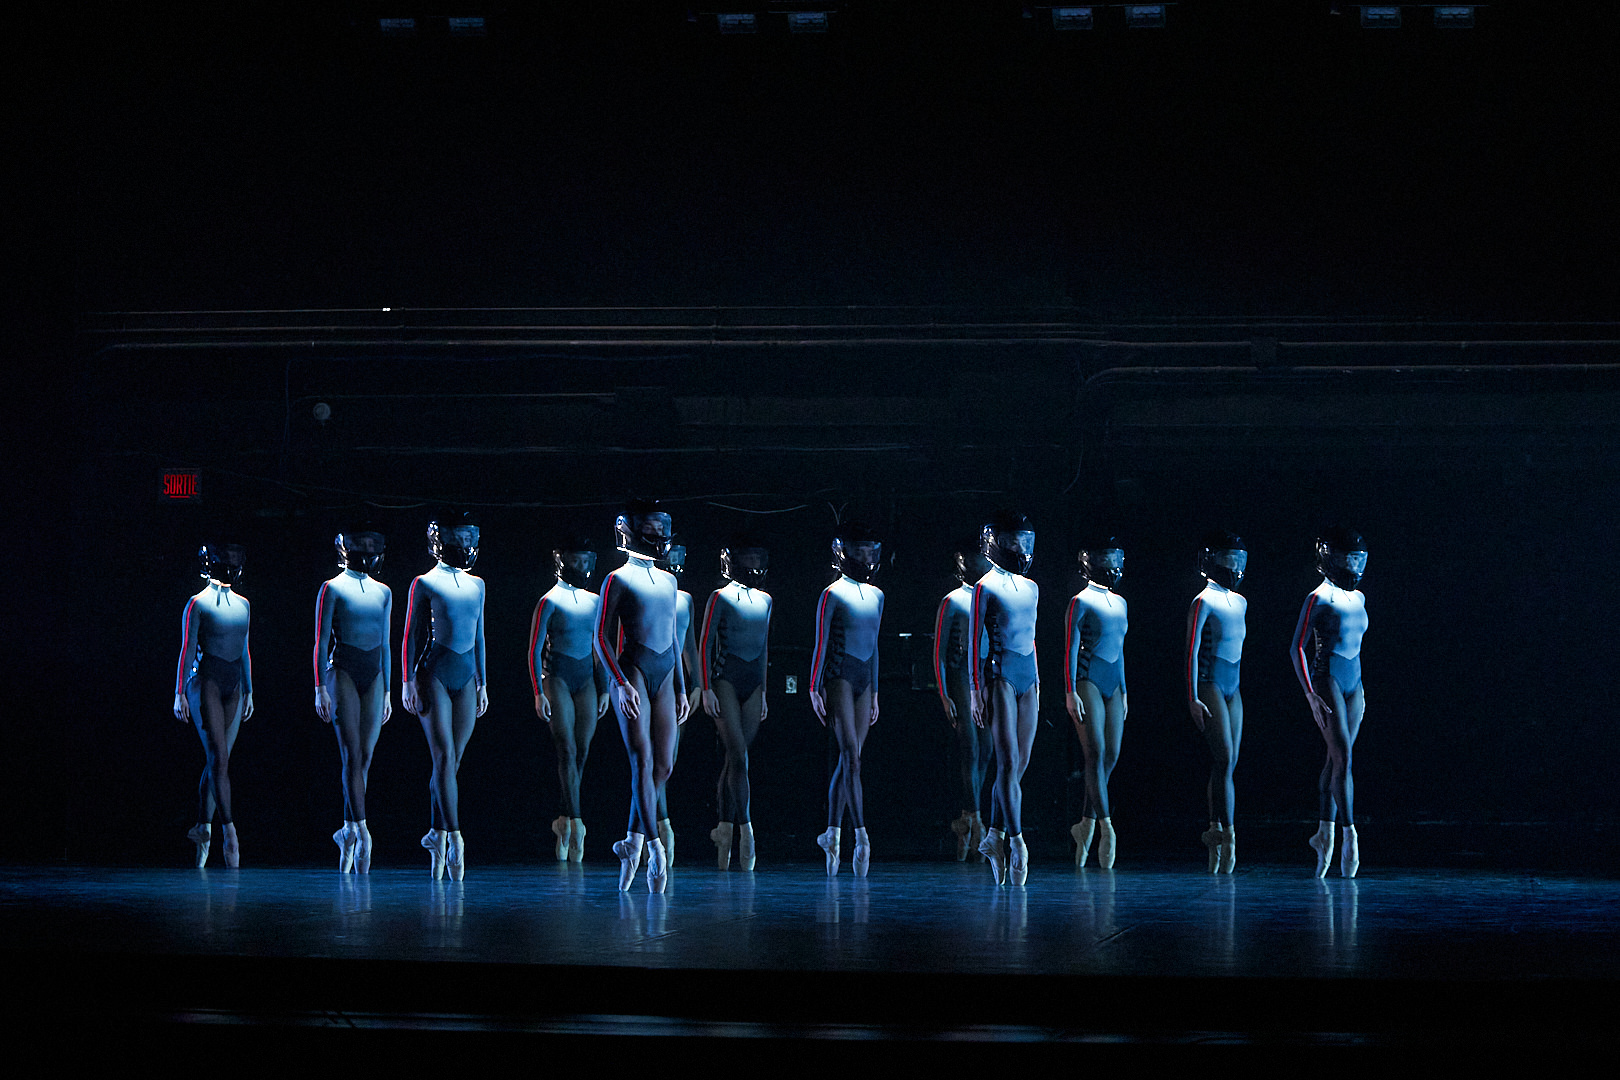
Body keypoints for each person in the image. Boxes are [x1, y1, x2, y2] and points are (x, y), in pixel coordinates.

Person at [595, 500, 689, 891]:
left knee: (663, 767)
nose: (658, 534)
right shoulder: (617, 579)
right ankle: (654, 849)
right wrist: (619, 682)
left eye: (661, 526)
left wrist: (683, 687)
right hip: (633, 670)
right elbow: (600, 636)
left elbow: (673, 639)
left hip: (666, 674)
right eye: (650, 526)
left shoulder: (669, 581)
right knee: (642, 761)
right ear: (632, 530)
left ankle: (631, 841)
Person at [401, 514, 488, 881]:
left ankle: (436, 832)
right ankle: (455, 838)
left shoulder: (477, 584)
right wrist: (406, 682)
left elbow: (480, 634)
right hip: (433, 672)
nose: (464, 542)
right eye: (457, 536)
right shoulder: (423, 582)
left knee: (450, 766)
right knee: (444, 756)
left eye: (468, 535)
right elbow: (409, 635)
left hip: (467, 676)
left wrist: (483, 682)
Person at [1291, 527, 1370, 879]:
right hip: (1329, 682)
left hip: (1354, 685)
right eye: (1345, 559)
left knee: (1334, 761)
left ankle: (1323, 833)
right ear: (1329, 560)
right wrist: (1311, 695)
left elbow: (1357, 645)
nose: (1352, 565)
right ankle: (1349, 836)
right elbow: (1297, 648)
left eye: (1357, 559)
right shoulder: (1318, 598)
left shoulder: (1359, 598)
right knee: (1344, 758)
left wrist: (1361, 690)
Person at [314, 527, 393, 874]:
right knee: (351, 753)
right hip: (342, 670)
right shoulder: (331, 588)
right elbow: (319, 642)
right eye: (360, 545)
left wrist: (390, 690)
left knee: (366, 757)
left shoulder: (384, 592)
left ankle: (346, 830)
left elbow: (387, 643)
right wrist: (320, 688)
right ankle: (362, 831)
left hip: (374, 674)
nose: (367, 551)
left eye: (371, 546)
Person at [809, 522, 885, 877]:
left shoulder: (877, 595)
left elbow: (875, 646)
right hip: (838, 676)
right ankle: (862, 836)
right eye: (861, 551)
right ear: (845, 554)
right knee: (851, 758)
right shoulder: (832, 594)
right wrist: (813, 686)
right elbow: (821, 643)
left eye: (871, 551)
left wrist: (875, 692)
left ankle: (831, 832)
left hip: (863, 681)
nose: (867, 557)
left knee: (850, 760)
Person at [969, 512, 1040, 886]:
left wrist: (1039, 681)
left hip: (1029, 678)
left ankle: (994, 835)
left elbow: (1031, 637)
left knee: (1018, 765)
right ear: (996, 543)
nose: (1020, 548)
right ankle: (1016, 841)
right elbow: (973, 643)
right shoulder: (985, 587)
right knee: (1008, 762)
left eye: (1024, 541)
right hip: (999, 678)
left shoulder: (1031, 588)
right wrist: (974, 690)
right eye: (1012, 541)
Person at [529, 536, 609, 863]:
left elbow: (599, 647)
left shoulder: (595, 601)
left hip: (586, 678)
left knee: (582, 751)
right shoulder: (548, 601)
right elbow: (534, 650)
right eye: (576, 560)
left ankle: (562, 818)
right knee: (567, 748)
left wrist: (604, 688)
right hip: (557, 677)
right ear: (563, 560)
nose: (582, 567)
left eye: (587, 560)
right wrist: (537, 692)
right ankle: (577, 825)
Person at [173, 542, 252, 868]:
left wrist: (249, 689)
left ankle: (202, 827)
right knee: (218, 757)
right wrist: (179, 692)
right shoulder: (197, 604)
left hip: (233, 687)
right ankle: (229, 833)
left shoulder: (244, 604)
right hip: (204, 683)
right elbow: (187, 649)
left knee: (217, 761)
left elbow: (244, 648)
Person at [700, 537, 773, 870]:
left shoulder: (766, 600)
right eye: (749, 556)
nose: (754, 563)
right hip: (724, 680)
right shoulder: (720, 597)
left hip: (753, 684)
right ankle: (746, 830)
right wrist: (705, 689)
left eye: (758, 557)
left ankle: (723, 830)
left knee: (736, 758)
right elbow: (703, 645)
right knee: (738, 755)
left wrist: (765, 693)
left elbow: (765, 649)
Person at [1186, 531, 1248, 874]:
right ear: (1213, 561)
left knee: (1229, 762)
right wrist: (1193, 696)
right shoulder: (1203, 601)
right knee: (1223, 756)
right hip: (1209, 683)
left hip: (1232, 686)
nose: (1235, 567)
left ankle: (1216, 829)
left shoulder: (1240, 602)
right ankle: (1227, 835)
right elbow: (1192, 652)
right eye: (1229, 559)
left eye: (1239, 560)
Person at [1065, 538, 1128, 869]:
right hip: (1087, 680)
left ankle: (1085, 824)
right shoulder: (1080, 601)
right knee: (1096, 752)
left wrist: (1126, 691)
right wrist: (1069, 691)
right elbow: (1070, 649)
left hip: (1114, 684)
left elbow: (1121, 648)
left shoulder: (1121, 602)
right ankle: (1106, 828)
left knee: (1111, 755)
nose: (1112, 563)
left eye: (1115, 556)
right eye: (1105, 557)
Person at [933, 541, 993, 861]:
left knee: (987, 748)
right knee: (969, 745)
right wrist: (945, 694)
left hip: (985, 676)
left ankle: (967, 817)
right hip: (959, 675)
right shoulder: (952, 601)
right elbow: (940, 653)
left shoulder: (991, 599)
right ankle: (976, 819)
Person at [652, 539, 701, 865]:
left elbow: (690, 645)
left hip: (677, 684)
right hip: (649, 679)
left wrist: (698, 684)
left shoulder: (684, 599)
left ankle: (656, 823)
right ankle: (657, 826)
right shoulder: (649, 593)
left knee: (667, 760)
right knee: (651, 758)